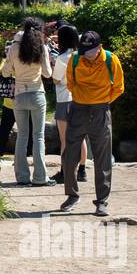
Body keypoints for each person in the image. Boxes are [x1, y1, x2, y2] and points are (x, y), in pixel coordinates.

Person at [60, 30, 125, 215]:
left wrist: (102, 101)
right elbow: (70, 84)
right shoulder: (75, 59)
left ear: (99, 48)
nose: (85, 55)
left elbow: (119, 87)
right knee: (69, 156)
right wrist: (84, 99)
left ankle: (102, 201)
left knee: (102, 158)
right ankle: (72, 195)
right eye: (83, 51)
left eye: (89, 52)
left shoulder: (111, 60)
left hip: (101, 111)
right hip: (77, 109)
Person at [1, 18, 53, 186]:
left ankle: (22, 177)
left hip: (19, 95)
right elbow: (47, 74)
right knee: (38, 136)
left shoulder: (14, 47)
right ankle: (40, 177)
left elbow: (5, 73)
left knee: (22, 136)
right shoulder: (42, 48)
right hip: (37, 94)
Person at [50, 22, 88, 185]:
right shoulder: (83, 56)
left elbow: (57, 79)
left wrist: (52, 67)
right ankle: (82, 170)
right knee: (81, 137)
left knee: (65, 138)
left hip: (64, 100)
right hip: (80, 99)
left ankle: (65, 171)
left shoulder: (62, 58)